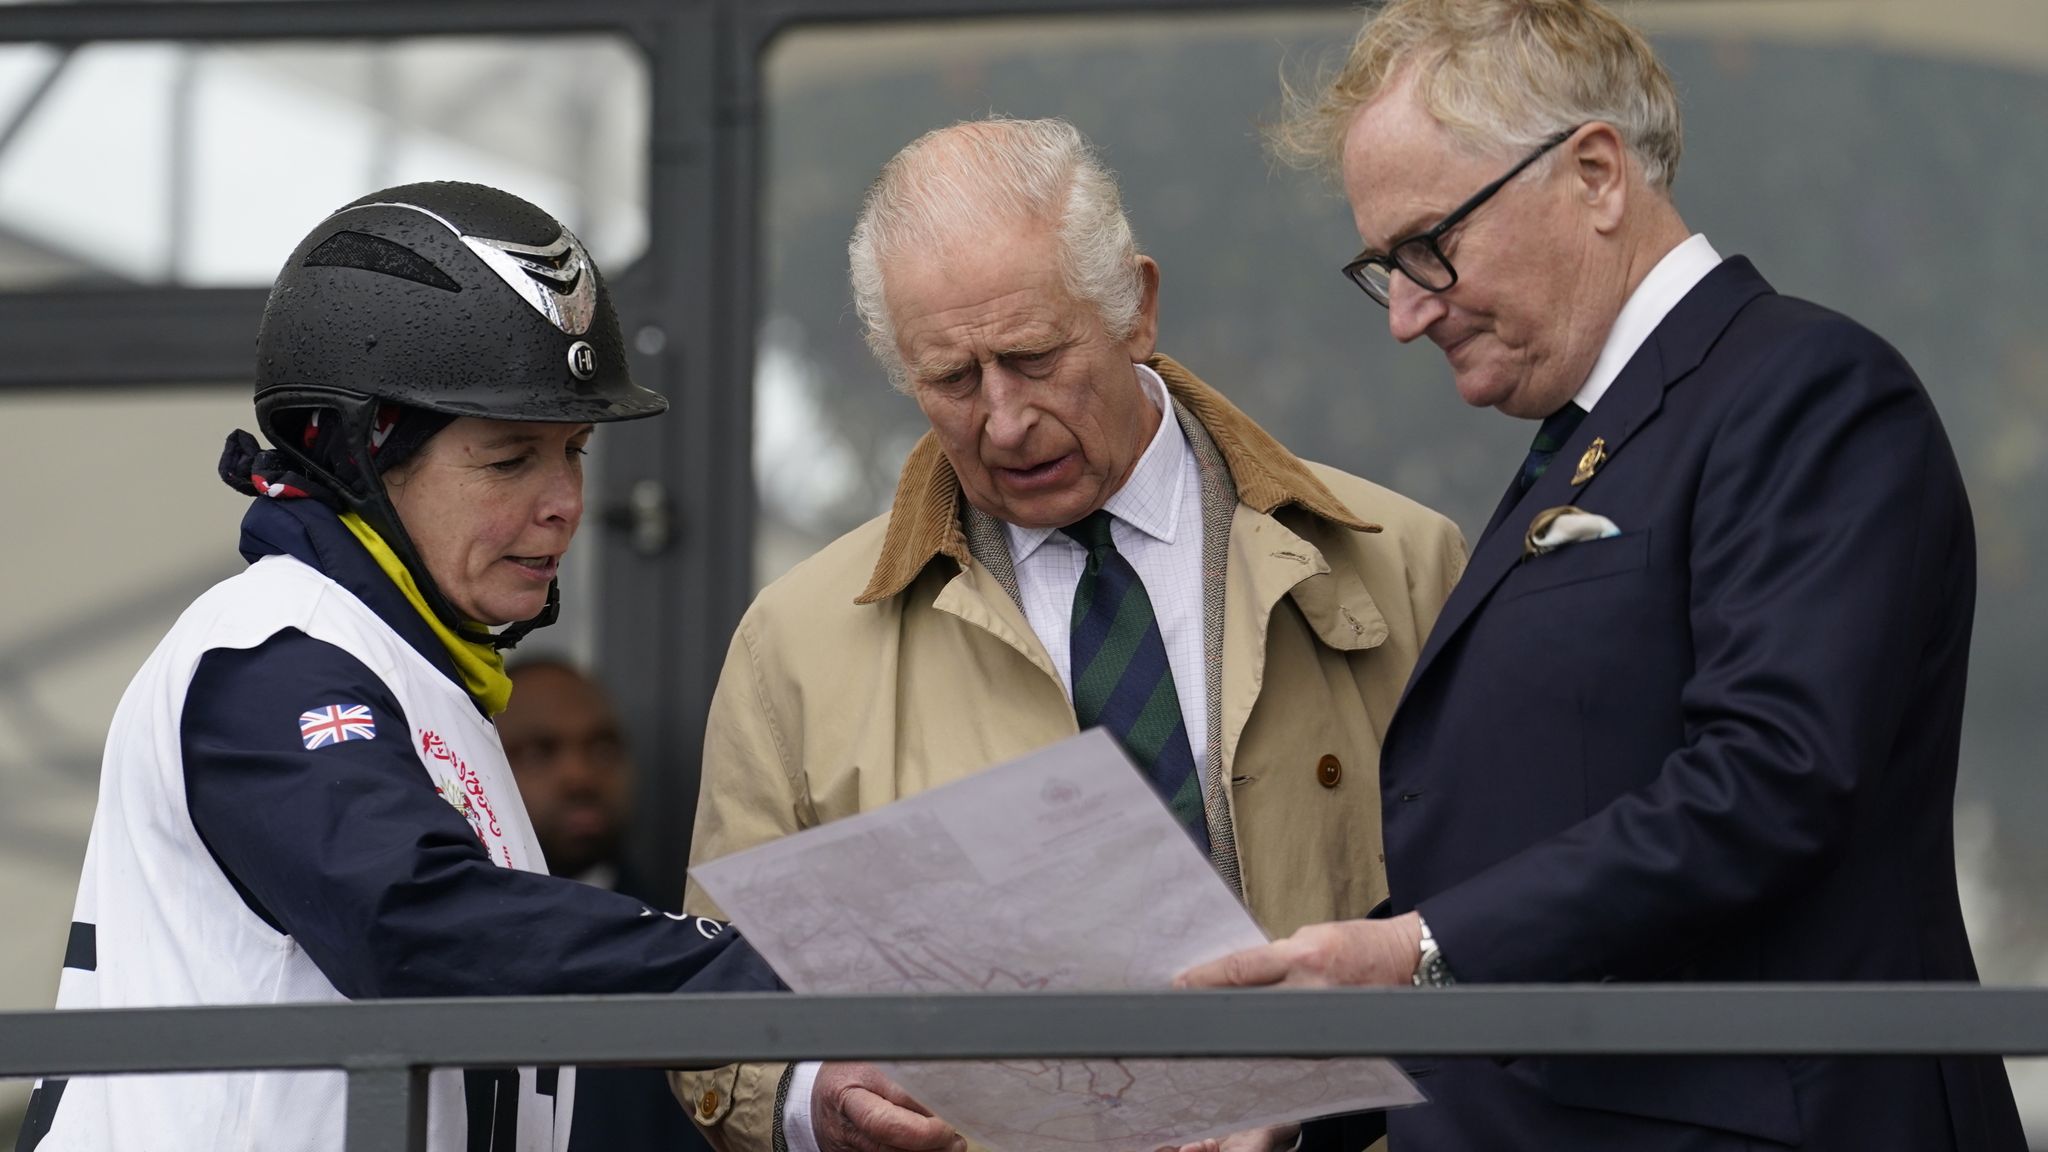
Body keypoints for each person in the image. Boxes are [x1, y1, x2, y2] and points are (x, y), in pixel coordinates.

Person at [1176, 2, 2028, 1149]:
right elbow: (1532, 849)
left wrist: (1414, 954)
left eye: (1428, 245)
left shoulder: (1807, 391)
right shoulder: (1598, 436)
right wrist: (1301, 1083)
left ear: (1592, 175)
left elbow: (1769, 782)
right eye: (1383, 268)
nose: (1406, 314)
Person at [671, 117, 1467, 1152]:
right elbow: (712, 1004)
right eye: (952, 380)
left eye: (1034, 358)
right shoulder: (793, 648)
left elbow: (1514, 937)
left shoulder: (1406, 566)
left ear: (1137, 307)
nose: (1003, 421)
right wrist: (811, 1100)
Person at [17, 182, 783, 1152]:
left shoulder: (420, 681)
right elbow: (410, 919)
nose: (564, 502)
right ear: (359, 456)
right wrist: (743, 967)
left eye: (575, 451)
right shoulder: (276, 648)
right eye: (509, 460)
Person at [500, 658, 719, 1152]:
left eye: (602, 749)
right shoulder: (440, 942)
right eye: (539, 752)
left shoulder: (688, 949)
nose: (579, 776)